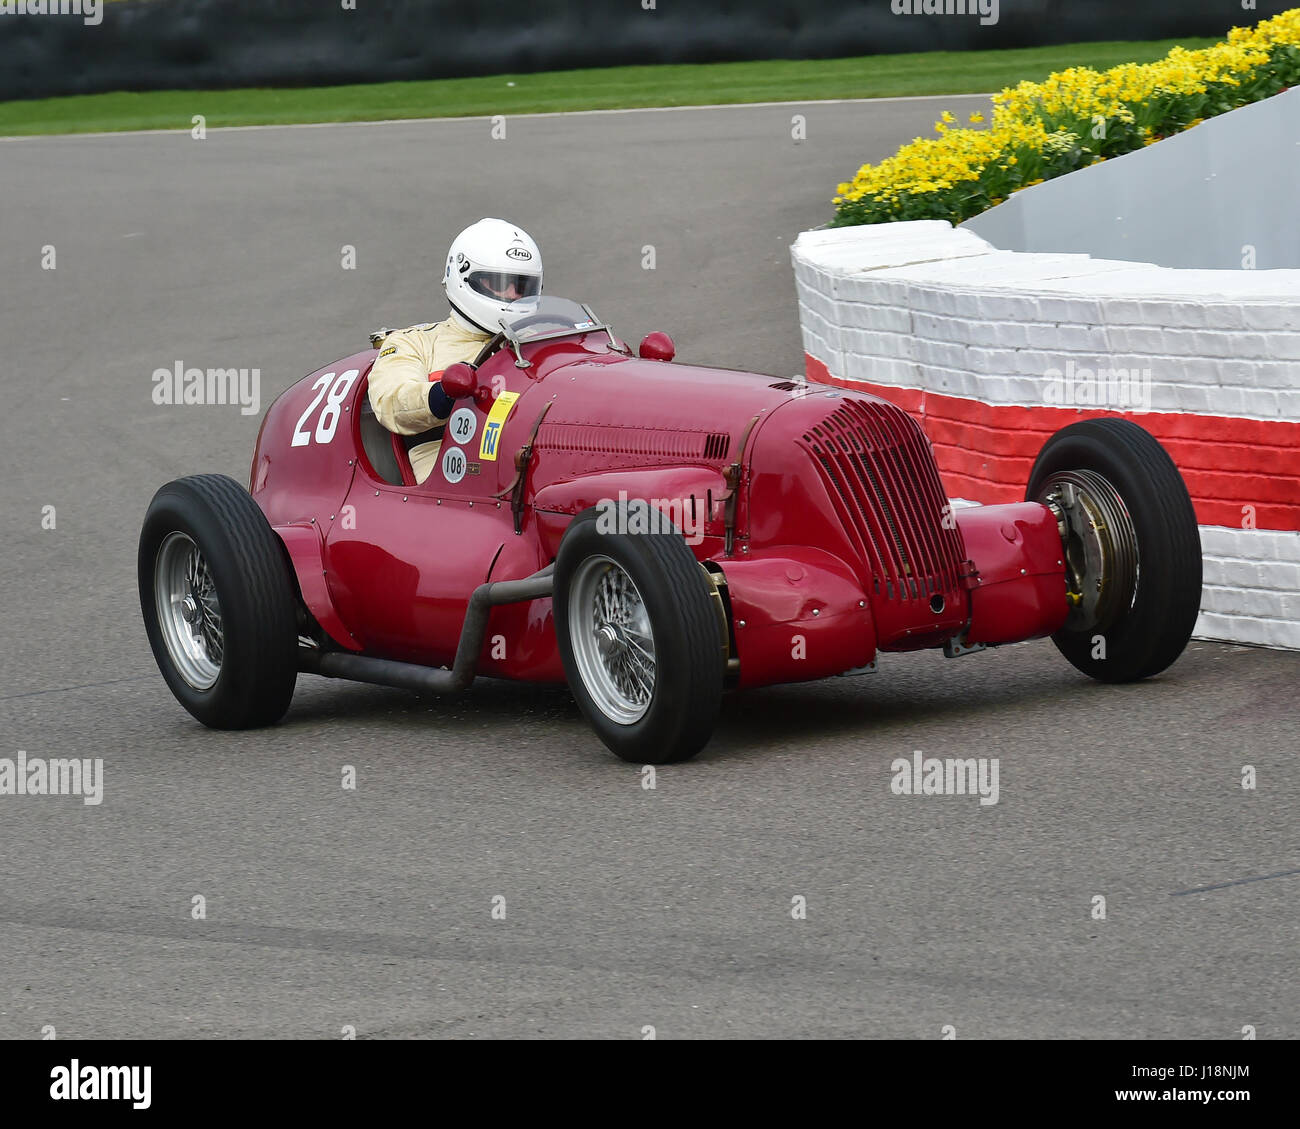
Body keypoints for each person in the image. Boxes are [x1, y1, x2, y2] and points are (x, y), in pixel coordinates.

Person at [368, 218, 543, 483]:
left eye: (521, 286)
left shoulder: (543, 341)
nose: (511, 294)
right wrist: (445, 392)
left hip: (538, 453)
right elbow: (391, 403)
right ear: (463, 277)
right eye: (499, 283)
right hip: (456, 476)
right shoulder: (413, 343)